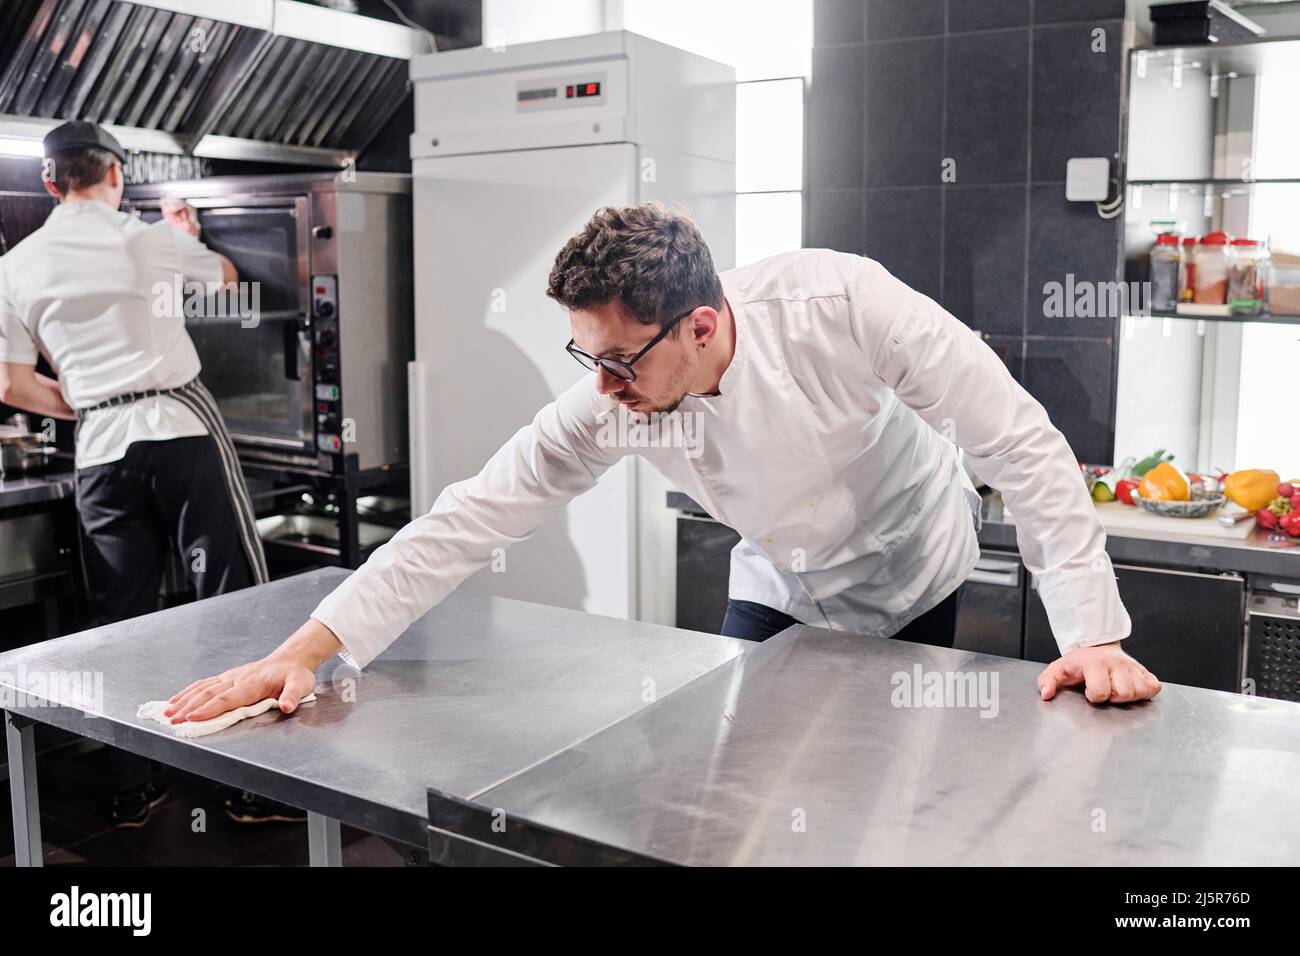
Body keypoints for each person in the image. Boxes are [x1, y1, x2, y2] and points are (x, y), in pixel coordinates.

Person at [166, 202, 1161, 728]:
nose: (602, 386)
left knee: (888, 783)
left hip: (912, 563)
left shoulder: (844, 304)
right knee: (740, 778)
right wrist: (305, 651)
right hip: (780, 581)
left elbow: (1018, 441)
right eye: (586, 358)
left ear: (702, 324)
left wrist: (1095, 634)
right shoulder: (616, 392)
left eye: (619, 361)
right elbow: (470, 516)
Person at [0, 121, 296, 827]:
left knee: (120, 621)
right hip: (181, 430)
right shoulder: (148, 239)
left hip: (102, 452)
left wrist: (92, 402)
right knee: (230, 601)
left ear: (49, 182)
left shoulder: (14, 266)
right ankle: (250, 787)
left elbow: (12, 383)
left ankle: (135, 790)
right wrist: (185, 237)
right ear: (115, 174)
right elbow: (228, 283)